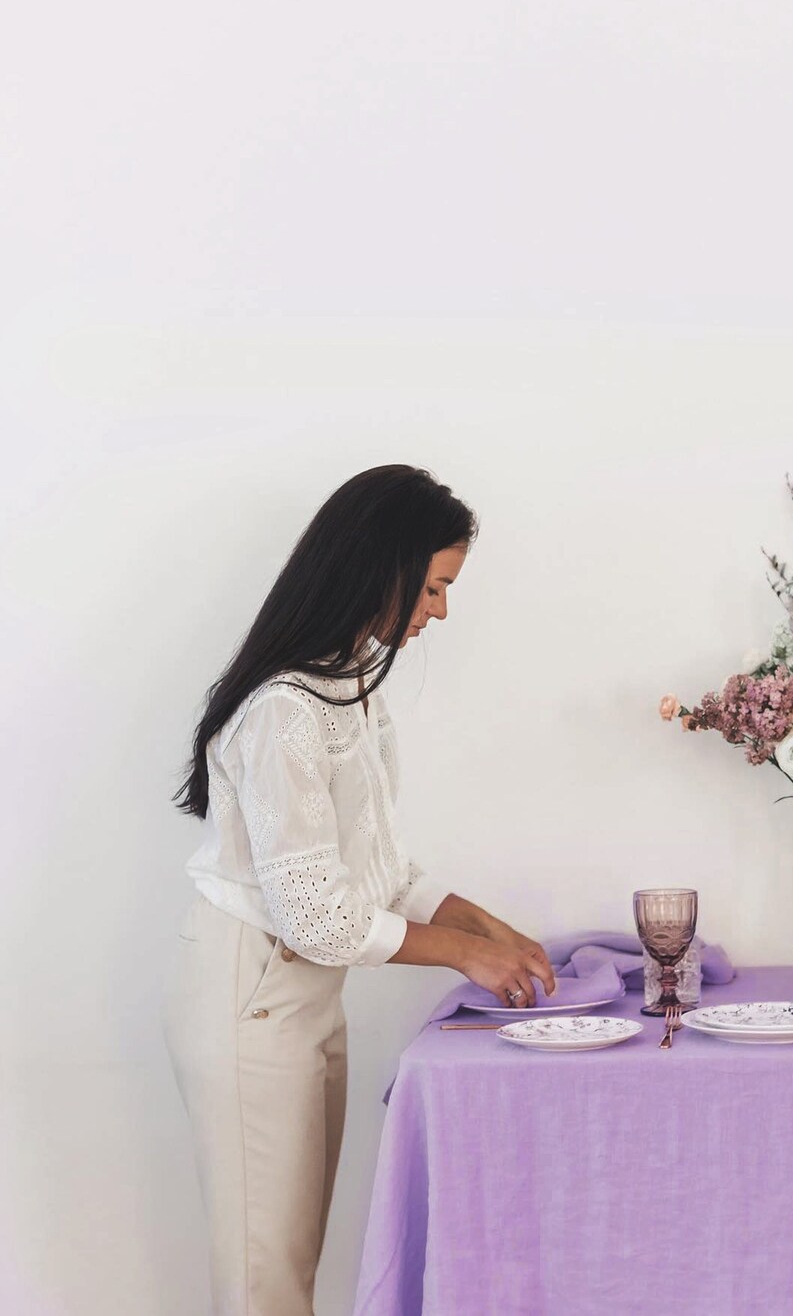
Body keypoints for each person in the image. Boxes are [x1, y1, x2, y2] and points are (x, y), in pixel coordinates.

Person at [164, 464, 555, 1316]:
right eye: (436, 588)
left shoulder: (350, 693)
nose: (438, 612)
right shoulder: (285, 710)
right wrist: (465, 958)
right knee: (264, 1283)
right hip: (253, 994)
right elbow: (316, 915)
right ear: (385, 567)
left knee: (291, 1263)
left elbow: (381, 872)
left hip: (302, 994)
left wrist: (491, 931)